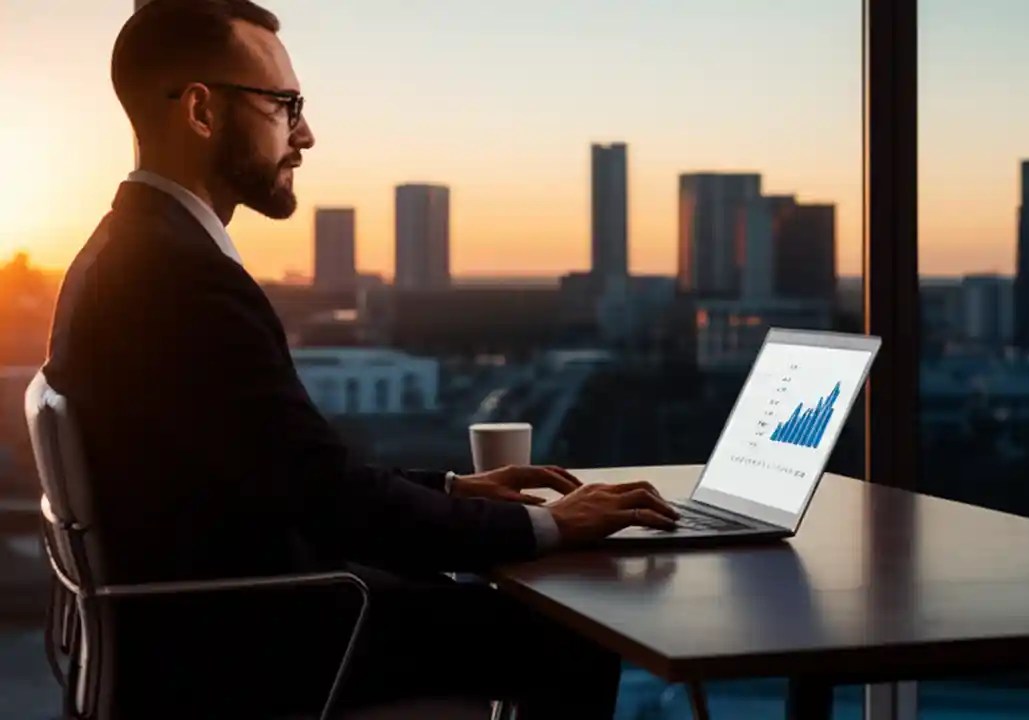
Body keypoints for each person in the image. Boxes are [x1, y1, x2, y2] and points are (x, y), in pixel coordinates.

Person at [43, 0, 678, 716]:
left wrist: (453, 490)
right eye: (285, 105)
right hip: (256, 646)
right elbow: (326, 498)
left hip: (203, 632)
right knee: (571, 634)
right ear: (201, 111)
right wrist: (548, 525)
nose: (305, 134)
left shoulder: (123, 252)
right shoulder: (181, 279)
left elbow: (285, 469)